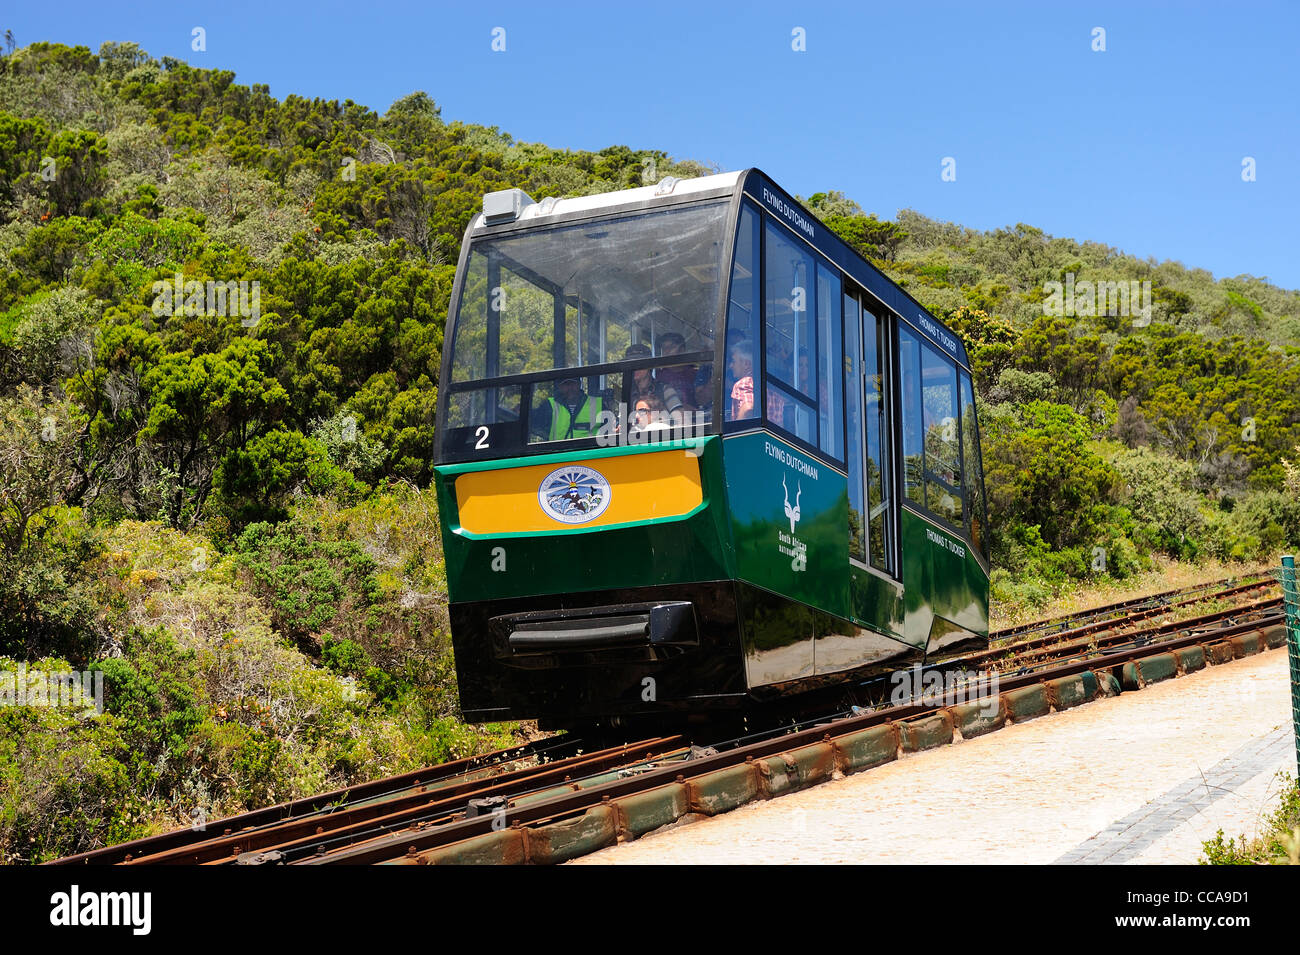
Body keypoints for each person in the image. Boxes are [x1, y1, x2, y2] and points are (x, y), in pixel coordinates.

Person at [531, 375, 603, 440]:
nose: (570, 388)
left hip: (589, 453)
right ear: (560, 387)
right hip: (560, 453)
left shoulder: (598, 404)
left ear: (579, 384)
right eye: (566, 384)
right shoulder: (549, 406)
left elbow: (609, 433)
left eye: (573, 383)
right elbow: (532, 422)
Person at [626, 342, 683, 415]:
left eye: (639, 364)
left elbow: (681, 420)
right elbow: (623, 422)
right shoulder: (628, 394)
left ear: (649, 365)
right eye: (630, 365)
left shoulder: (665, 390)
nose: (635, 368)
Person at [655, 332, 696, 411]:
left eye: (671, 347)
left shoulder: (693, 373)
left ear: (682, 350)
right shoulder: (659, 376)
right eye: (664, 348)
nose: (666, 351)